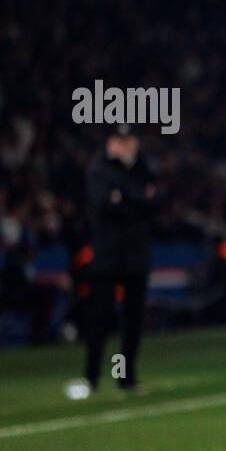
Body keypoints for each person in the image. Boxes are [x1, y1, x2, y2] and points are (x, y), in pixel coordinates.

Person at [80, 123, 159, 395]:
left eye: (129, 139)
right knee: (100, 317)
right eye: (120, 139)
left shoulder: (143, 167)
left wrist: (124, 199)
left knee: (134, 320)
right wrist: (137, 200)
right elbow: (103, 204)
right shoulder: (99, 169)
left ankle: (126, 378)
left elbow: (154, 203)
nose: (125, 145)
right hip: (107, 256)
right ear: (111, 142)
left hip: (135, 255)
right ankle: (91, 378)